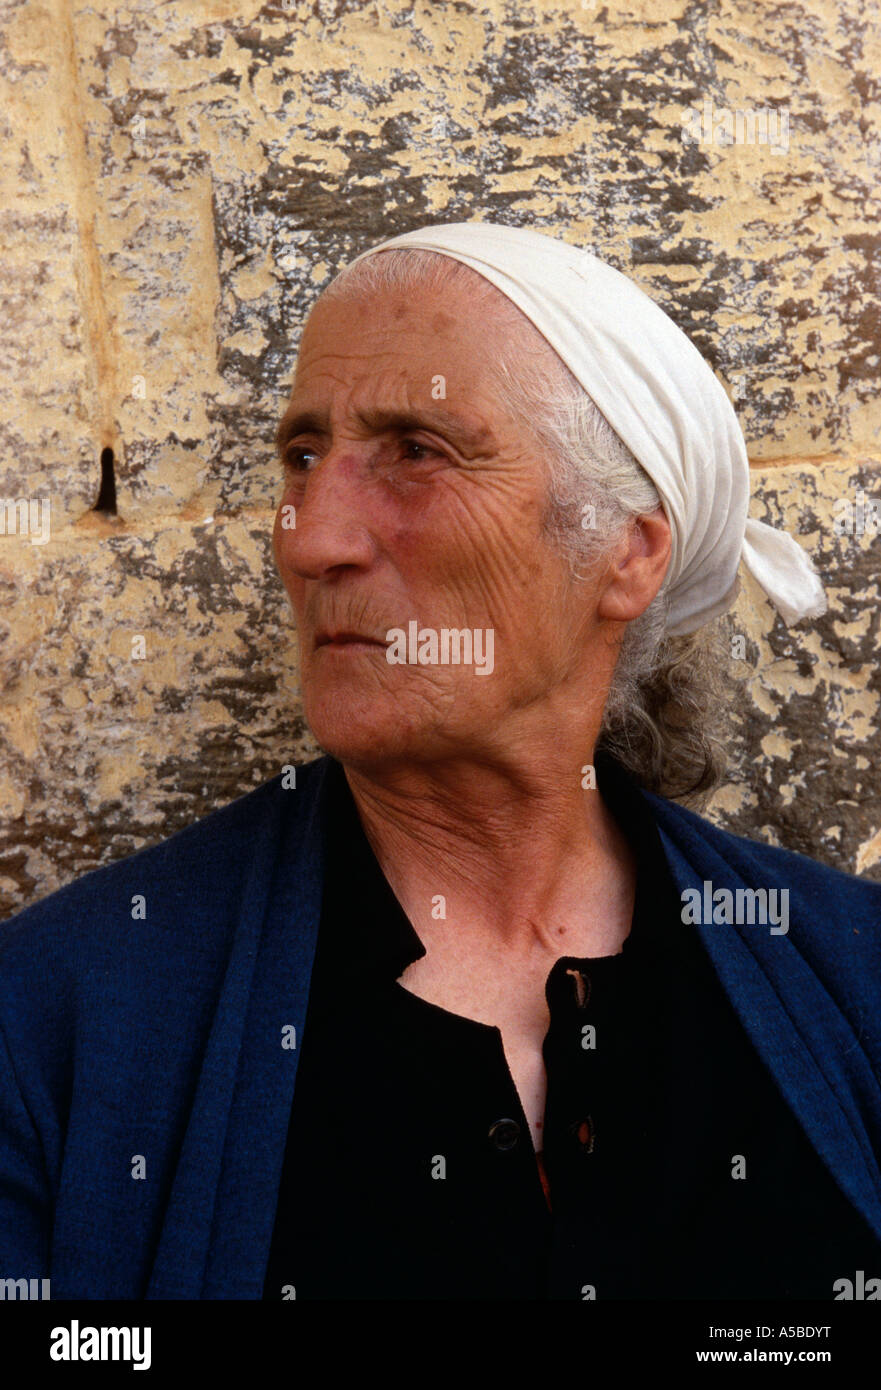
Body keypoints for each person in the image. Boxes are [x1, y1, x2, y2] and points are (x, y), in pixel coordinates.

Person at [1, 223, 879, 1301]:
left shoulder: (849, 976)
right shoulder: (59, 1027)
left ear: (626, 551)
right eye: (302, 456)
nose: (310, 537)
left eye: (417, 451)